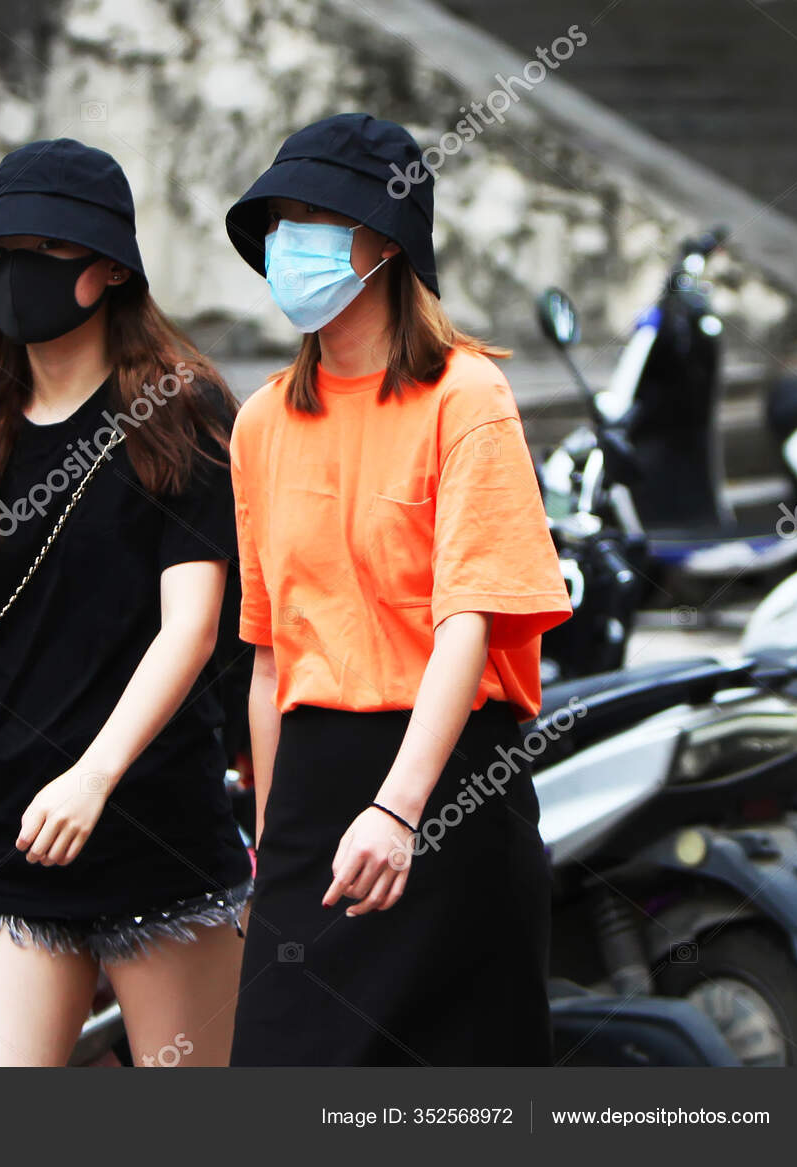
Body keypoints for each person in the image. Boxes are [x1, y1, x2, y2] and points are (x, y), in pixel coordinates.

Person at [0, 138, 253, 1067]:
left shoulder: (181, 409)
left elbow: (192, 627)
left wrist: (93, 777)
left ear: (108, 270)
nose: (16, 276)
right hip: (6, 842)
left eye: (43, 252)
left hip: (156, 833)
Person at [222, 113, 573, 1066]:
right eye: (279, 218)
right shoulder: (260, 424)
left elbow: (470, 615)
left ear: (388, 241)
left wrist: (401, 808)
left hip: (449, 777)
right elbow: (267, 657)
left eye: (317, 214)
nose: (291, 238)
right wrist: (269, 851)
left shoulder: (466, 397)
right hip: (308, 794)